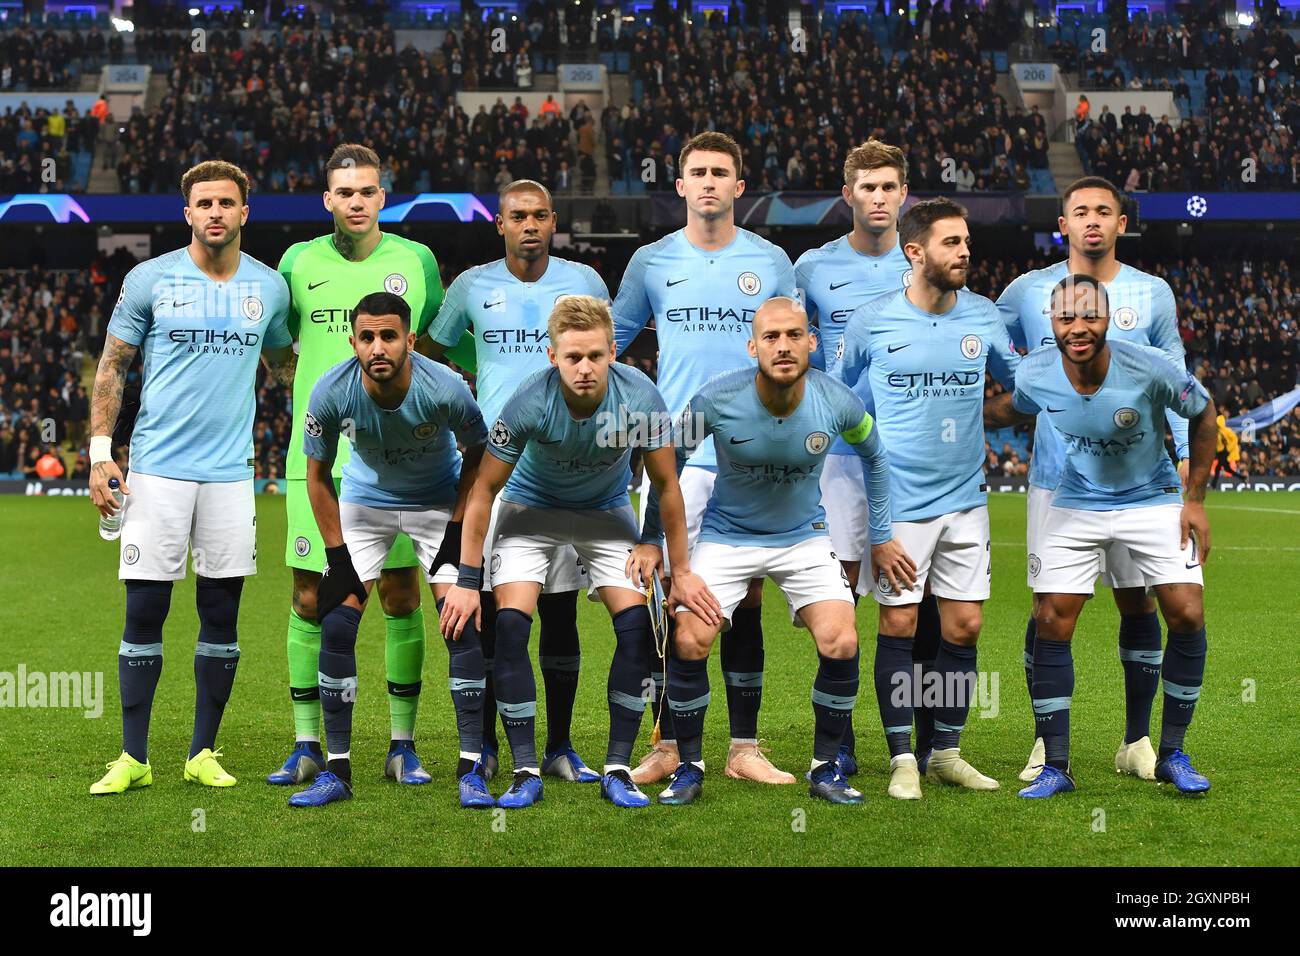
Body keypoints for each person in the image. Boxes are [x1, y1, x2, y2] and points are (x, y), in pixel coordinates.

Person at [439, 295, 718, 809]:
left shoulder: (641, 397)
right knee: (512, 626)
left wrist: (665, 556)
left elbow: (666, 484)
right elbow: (482, 493)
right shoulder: (528, 402)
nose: (585, 368)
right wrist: (467, 577)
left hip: (605, 512)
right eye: (573, 357)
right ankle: (526, 769)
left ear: (614, 351)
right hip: (530, 509)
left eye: (594, 355)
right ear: (553, 357)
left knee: (636, 629)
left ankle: (617, 767)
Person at [646, 296, 915, 806]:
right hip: (727, 536)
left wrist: (880, 535)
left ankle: (826, 768)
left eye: (794, 335)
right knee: (688, 637)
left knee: (841, 638)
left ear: (812, 342)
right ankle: (691, 767)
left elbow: (876, 457)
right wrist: (649, 541)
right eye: (771, 337)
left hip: (804, 537)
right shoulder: (714, 399)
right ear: (752, 346)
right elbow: (667, 465)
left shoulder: (838, 401)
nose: (784, 346)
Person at [87, 160, 294, 795]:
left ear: (243, 213)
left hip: (231, 476)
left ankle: (203, 750)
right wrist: (100, 451)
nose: (214, 213)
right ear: (187, 213)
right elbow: (112, 366)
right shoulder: (149, 279)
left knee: (221, 612)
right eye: (203, 203)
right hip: (156, 472)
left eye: (226, 203)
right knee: (144, 610)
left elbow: (287, 366)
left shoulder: (270, 288)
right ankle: (133, 756)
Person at [613, 131, 799, 787]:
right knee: (672, 603)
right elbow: (610, 345)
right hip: (678, 461)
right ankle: (668, 743)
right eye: (699, 172)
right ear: (682, 185)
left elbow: (796, 353)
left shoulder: (773, 262)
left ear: (740, 187)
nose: (711, 182)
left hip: (754, 457)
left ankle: (744, 748)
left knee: (744, 598)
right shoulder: (652, 262)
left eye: (722, 172)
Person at [984, 274, 1217, 798]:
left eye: (1089, 315)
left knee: (1186, 611)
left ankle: (1173, 753)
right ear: (1053, 323)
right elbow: (1014, 406)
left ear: (1108, 318)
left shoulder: (1150, 366)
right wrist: (960, 414)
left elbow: (1203, 413)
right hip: (1076, 502)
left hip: (1151, 499)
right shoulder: (1037, 371)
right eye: (1067, 317)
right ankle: (1056, 765)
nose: (1078, 327)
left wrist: (1196, 499)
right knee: (1050, 617)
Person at [417, 179, 610, 784]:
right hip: (499, 476)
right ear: (499, 224)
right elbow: (431, 348)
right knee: (499, 618)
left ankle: (558, 745)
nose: (529, 224)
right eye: (517, 216)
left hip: (565, 474)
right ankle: (493, 745)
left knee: (560, 614)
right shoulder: (472, 285)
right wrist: (480, 384)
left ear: (554, 221)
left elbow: (606, 358)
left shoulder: (585, 283)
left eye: (539, 215)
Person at [269, 144, 446, 789]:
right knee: (312, 597)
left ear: (382, 196)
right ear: (328, 199)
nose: (356, 202)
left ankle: (402, 745)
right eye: (344, 192)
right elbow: (280, 347)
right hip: (314, 463)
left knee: (401, 596)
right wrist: (311, 393)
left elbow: (423, 342)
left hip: (398, 463)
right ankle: (308, 744)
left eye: (367, 191)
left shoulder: (416, 261)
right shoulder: (296, 263)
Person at [833, 197, 1019, 800]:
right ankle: (901, 758)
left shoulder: (984, 317)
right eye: (951, 243)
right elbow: (834, 400)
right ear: (915, 252)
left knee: (963, 626)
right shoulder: (872, 322)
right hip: (900, 503)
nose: (965, 251)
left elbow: (1021, 388)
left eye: (967, 241)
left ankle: (945, 751)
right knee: (900, 622)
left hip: (967, 499)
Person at [288, 292, 492, 808]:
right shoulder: (331, 390)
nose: (378, 347)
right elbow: (316, 475)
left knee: (461, 622)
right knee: (335, 620)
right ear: (353, 340)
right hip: (366, 501)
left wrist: (454, 530)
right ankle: (337, 770)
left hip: (437, 500)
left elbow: (480, 453)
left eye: (389, 336)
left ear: (409, 340)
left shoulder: (443, 386)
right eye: (367, 337)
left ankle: (471, 769)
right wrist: (337, 561)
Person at [793, 138, 946, 777]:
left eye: (889, 187)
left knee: (931, 607)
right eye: (867, 187)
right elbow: (796, 356)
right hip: (843, 462)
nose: (878, 198)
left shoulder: (927, 262)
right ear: (847, 195)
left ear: (904, 195)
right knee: (841, 600)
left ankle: (937, 740)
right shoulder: (812, 269)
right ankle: (840, 739)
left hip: (919, 460)